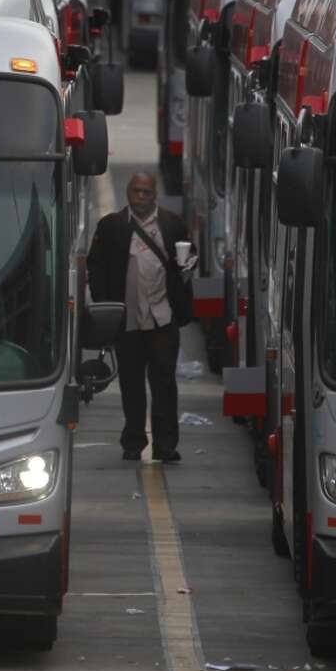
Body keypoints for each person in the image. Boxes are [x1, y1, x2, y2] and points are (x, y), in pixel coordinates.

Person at [86, 172, 195, 462]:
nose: (141, 197)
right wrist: (105, 308)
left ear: (155, 194)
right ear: (128, 193)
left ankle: (165, 445)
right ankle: (133, 442)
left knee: (164, 384)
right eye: (137, 191)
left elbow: (190, 258)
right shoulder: (111, 226)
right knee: (131, 384)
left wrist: (186, 269)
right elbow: (95, 267)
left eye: (147, 192)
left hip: (163, 319)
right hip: (128, 321)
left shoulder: (172, 224)